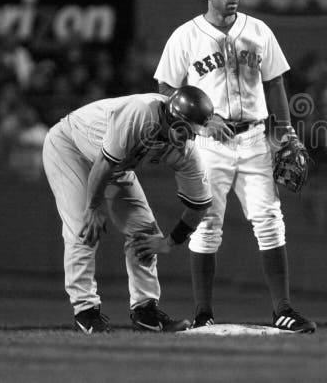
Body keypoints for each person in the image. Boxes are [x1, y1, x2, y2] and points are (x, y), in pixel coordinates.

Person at [153, 0, 317, 333]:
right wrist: (199, 122)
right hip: (209, 143)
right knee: (208, 225)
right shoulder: (185, 36)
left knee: (270, 221)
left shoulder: (257, 30)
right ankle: (203, 313)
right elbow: (166, 90)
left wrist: (286, 133)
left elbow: (274, 81)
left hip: (256, 138)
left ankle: (283, 309)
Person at [42, 85, 214, 334]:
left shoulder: (187, 151)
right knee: (83, 227)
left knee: (144, 231)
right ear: (170, 116)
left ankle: (145, 310)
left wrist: (169, 242)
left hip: (115, 163)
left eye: (193, 130)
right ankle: (85, 312)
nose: (188, 136)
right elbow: (103, 164)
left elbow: (200, 205)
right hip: (70, 146)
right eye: (184, 127)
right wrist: (93, 207)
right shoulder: (141, 113)